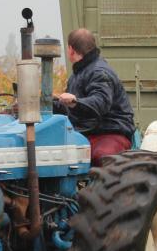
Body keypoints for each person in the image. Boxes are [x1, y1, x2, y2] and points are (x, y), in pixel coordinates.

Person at [54, 28, 136, 165]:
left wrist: (75, 101)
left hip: (110, 131)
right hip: (86, 131)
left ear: (71, 49)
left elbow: (100, 102)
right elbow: (68, 109)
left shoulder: (99, 72)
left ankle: (108, 185)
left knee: (102, 156)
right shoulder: (78, 74)